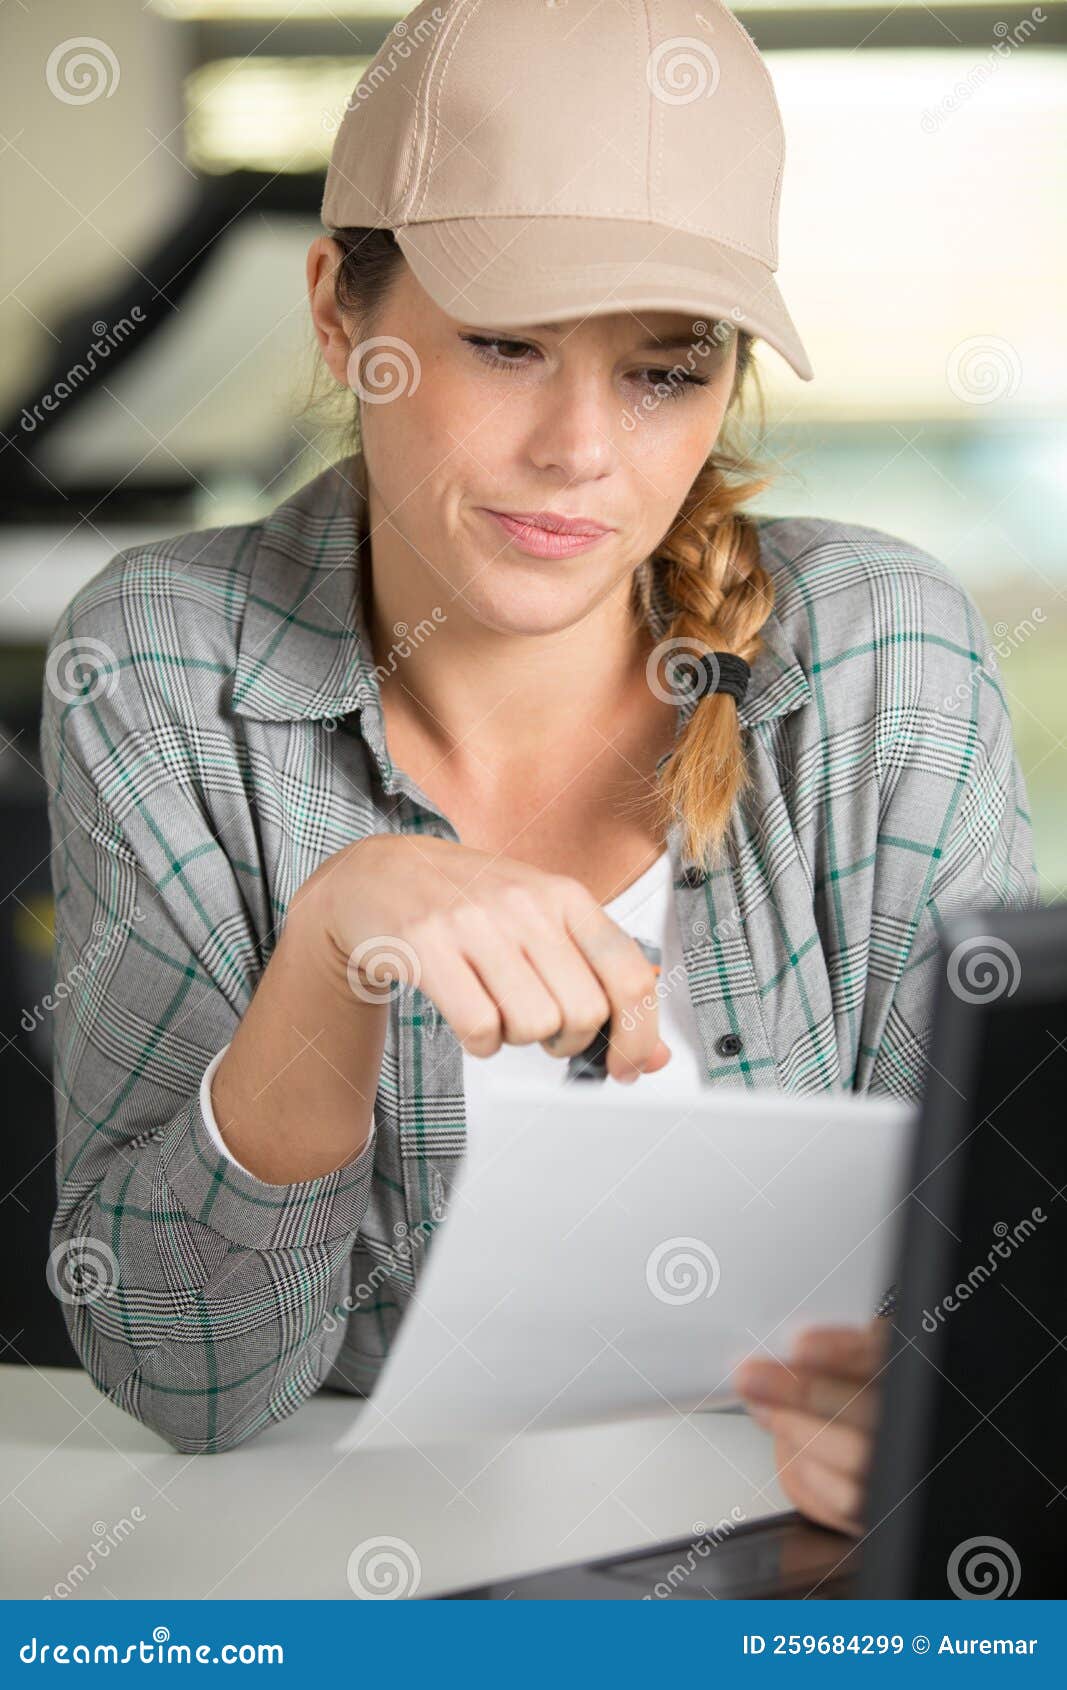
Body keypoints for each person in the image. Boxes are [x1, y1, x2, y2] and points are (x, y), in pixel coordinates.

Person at [41, 0, 1038, 1548]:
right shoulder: (161, 668)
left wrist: (947, 1406)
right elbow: (189, 1378)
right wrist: (333, 949)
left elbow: (1002, 1270)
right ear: (337, 314)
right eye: (505, 344)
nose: (583, 449)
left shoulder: (880, 659)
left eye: (664, 369)